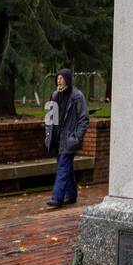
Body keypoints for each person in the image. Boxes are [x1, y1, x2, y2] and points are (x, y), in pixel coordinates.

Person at [44, 68, 89, 209]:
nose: (59, 80)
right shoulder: (55, 95)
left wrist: (76, 137)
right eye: (57, 78)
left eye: (61, 78)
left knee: (63, 167)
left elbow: (84, 119)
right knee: (65, 167)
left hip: (69, 140)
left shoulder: (77, 96)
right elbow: (50, 118)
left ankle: (57, 198)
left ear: (68, 79)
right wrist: (48, 134)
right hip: (56, 139)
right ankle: (72, 194)